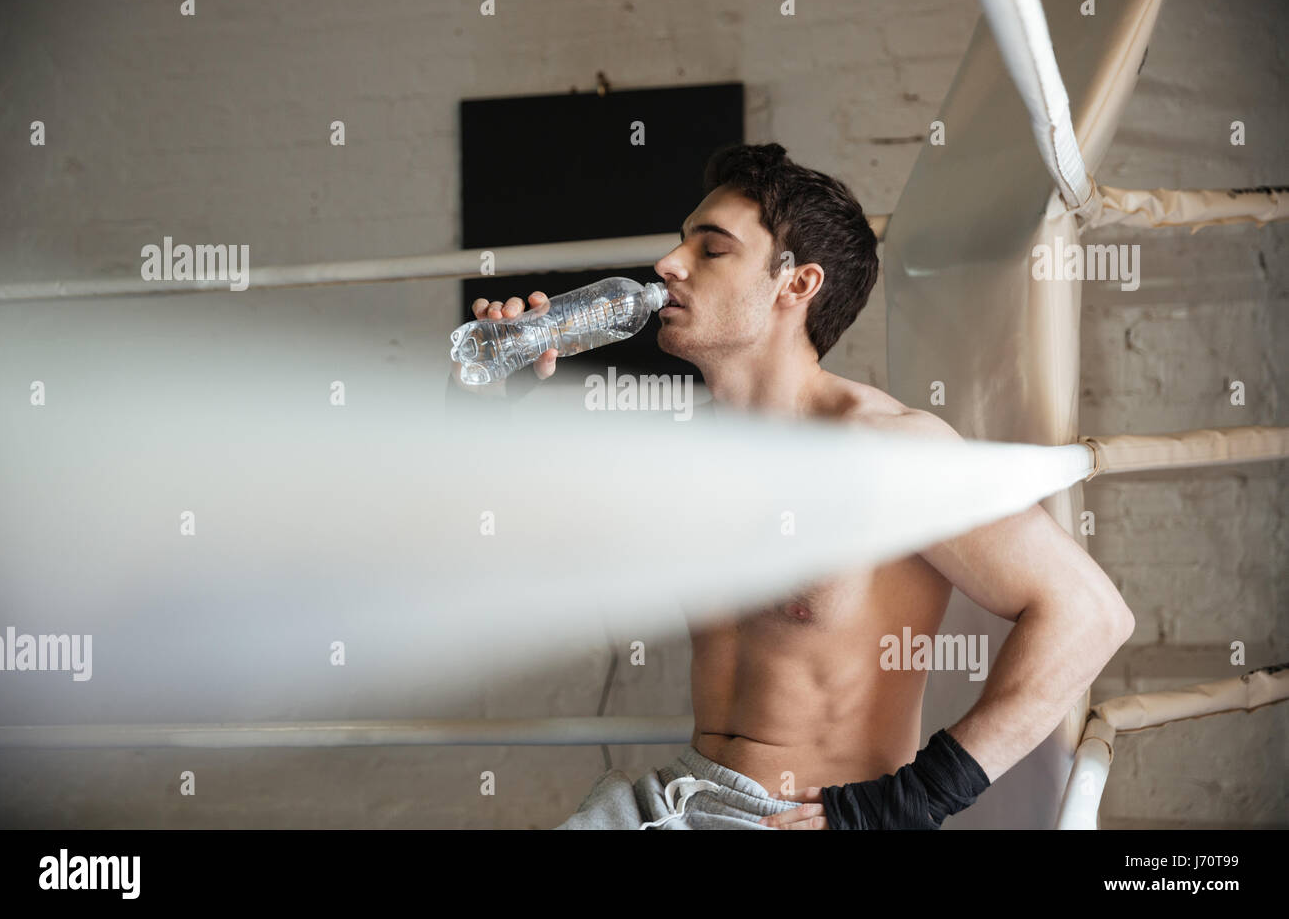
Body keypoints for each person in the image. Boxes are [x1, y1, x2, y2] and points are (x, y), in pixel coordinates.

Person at [450, 143, 1134, 829]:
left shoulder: (887, 449)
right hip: (673, 802)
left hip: (805, 816)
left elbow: (1089, 616)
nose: (667, 265)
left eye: (711, 249)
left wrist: (909, 804)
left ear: (797, 285)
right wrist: (483, 394)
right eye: (681, 242)